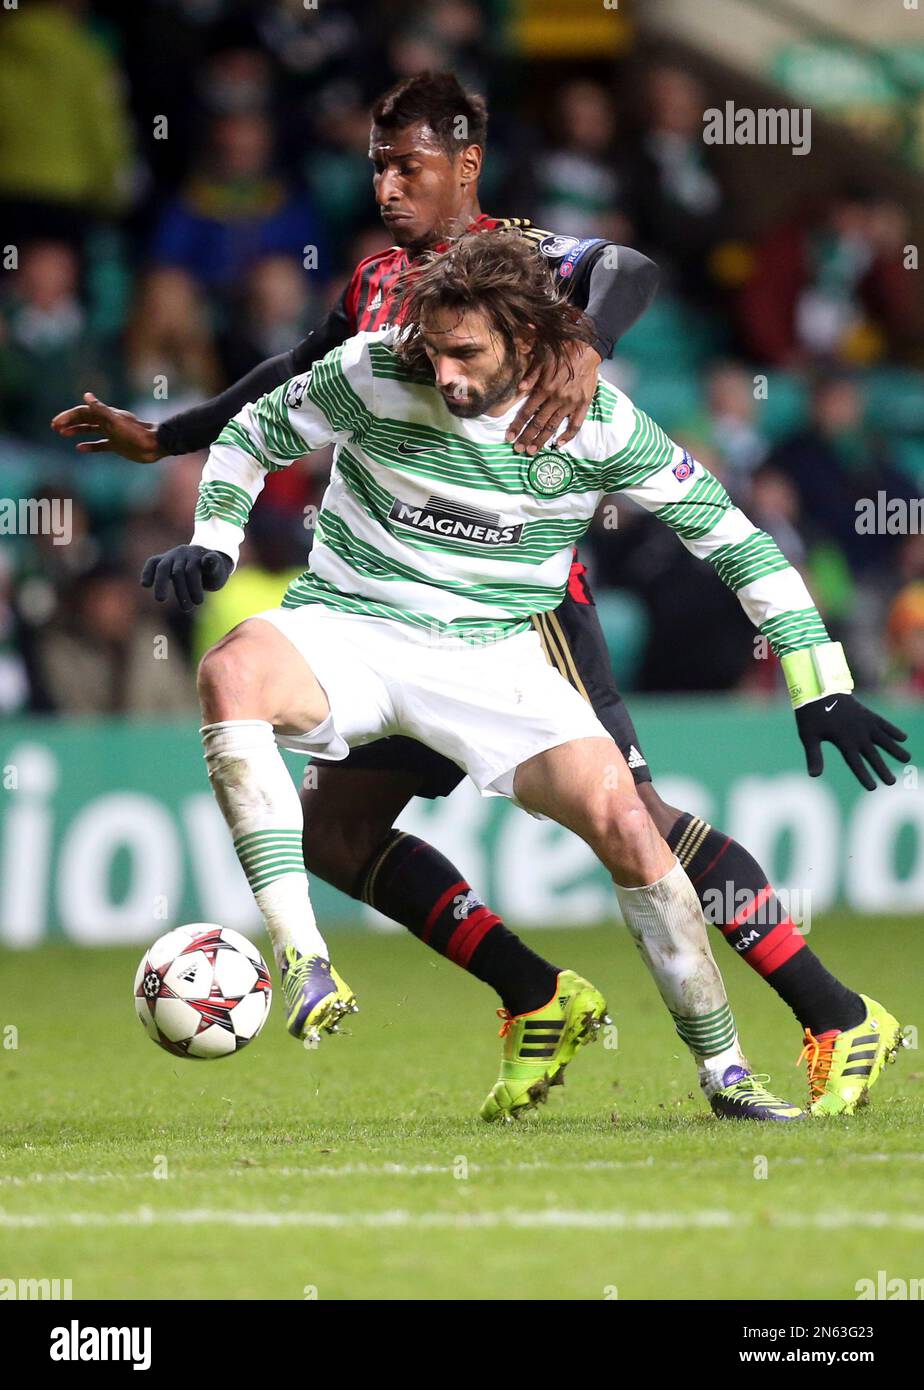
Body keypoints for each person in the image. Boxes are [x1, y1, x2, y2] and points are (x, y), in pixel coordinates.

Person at [53, 73, 909, 1118]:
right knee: (335, 837)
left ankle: (829, 1014)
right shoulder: (381, 294)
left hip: (527, 608)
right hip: (386, 604)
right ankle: (537, 992)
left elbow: (627, 270)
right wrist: (172, 435)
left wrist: (582, 345)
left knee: (631, 815)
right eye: (374, 162)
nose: (385, 183)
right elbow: (291, 380)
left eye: (407, 163)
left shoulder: (533, 259)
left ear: (464, 165)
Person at [146, 231, 818, 1125]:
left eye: (467, 353)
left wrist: (824, 679)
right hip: (352, 624)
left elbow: (737, 543)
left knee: (627, 822)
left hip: (496, 656)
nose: (446, 373)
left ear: (528, 344)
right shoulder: (376, 366)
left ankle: (727, 1074)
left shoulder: (602, 423)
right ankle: (303, 958)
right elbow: (250, 434)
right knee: (230, 672)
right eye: (435, 348)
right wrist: (216, 541)